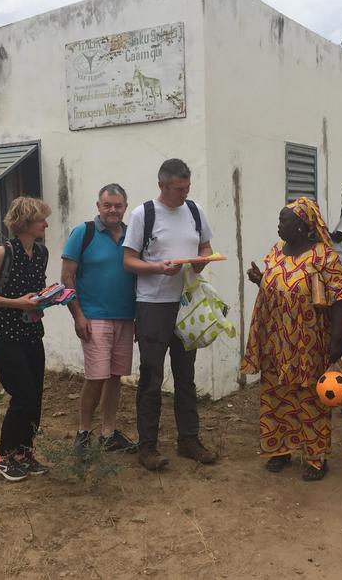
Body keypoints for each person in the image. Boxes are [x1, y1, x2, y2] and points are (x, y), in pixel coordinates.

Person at [242, 197, 342, 481]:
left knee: (309, 397)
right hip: (275, 337)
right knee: (276, 392)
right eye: (280, 220)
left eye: (285, 221)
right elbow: (278, 284)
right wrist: (260, 280)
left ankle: (315, 457)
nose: (279, 225)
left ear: (303, 226)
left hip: (309, 340)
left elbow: (340, 297)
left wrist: (337, 340)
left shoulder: (324, 256)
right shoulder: (277, 250)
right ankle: (279, 449)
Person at [122, 158, 218, 470]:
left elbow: (205, 246)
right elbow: (129, 260)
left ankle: (188, 439)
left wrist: (203, 260)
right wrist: (157, 269)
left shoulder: (194, 210)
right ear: (162, 185)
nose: (184, 193)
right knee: (151, 375)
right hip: (153, 304)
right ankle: (147, 445)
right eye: (179, 188)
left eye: (187, 186)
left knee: (185, 375)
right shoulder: (143, 214)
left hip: (187, 302)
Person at [0, 197, 52, 482]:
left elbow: (34, 292)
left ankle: (24, 452)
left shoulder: (41, 253)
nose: (46, 224)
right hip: (6, 335)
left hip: (32, 333)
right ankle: (3, 456)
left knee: (35, 398)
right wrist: (18, 303)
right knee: (22, 396)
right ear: (25, 223)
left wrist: (46, 298)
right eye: (41, 219)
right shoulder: (2, 253)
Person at [61, 184, 138, 454]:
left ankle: (108, 433)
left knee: (116, 377)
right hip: (94, 318)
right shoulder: (84, 233)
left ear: (125, 207)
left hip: (125, 318)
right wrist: (78, 315)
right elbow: (67, 278)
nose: (113, 210)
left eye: (118, 205)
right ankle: (83, 433)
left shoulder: (132, 235)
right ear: (98, 206)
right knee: (96, 377)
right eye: (107, 205)